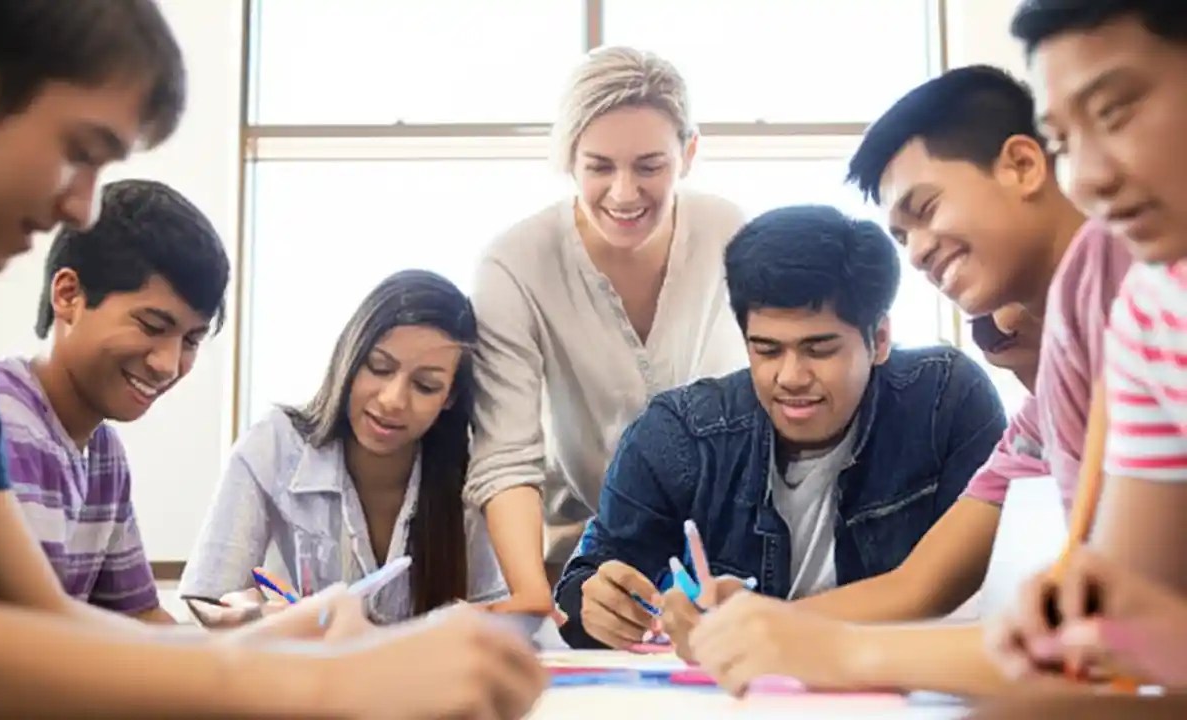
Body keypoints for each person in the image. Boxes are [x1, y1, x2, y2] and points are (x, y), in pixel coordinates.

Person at [0, 3, 544, 717]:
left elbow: (37, 622)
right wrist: (304, 680)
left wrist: (264, 649)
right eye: (80, 151)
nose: (83, 209)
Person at [687, 65, 1133, 697]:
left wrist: (843, 652)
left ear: (1024, 165)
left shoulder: (1132, 282)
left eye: (925, 210)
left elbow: (1127, 632)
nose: (918, 250)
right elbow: (921, 583)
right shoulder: (1051, 389)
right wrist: (755, 625)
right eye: (902, 235)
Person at [553, 204, 1006, 654]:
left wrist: (767, 626)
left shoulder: (945, 402)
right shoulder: (679, 435)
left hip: (896, 680)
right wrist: (595, 602)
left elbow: (962, 588)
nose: (790, 377)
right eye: (766, 350)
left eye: (820, 349)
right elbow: (586, 581)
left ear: (880, 339)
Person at [466, 45, 749, 617]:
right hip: (583, 558)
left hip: (725, 549)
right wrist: (530, 594)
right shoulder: (514, 263)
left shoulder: (730, 233)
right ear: (568, 160)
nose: (624, 193)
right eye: (599, 167)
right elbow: (507, 454)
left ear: (688, 153)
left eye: (650, 166)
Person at [987, 0, 1187, 689]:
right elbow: (1126, 628)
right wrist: (1071, 627)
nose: (1089, 179)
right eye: (1064, 142)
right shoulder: (1154, 309)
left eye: (1115, 113)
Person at [181, 270, 507, 624]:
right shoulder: (274, 445)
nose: (393, 400)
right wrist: (254, 614)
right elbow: (209, 595)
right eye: (379, 368)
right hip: (302, 671)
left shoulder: (473, 472)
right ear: (349, 358)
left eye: (426, 386)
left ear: (450, 398)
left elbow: (497, 611)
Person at [0, 179, 228, 624]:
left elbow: (140, 615)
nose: (168, 364)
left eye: (192, 340)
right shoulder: (4, 424)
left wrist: (243, 648)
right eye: (152, 326)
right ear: (68, 296)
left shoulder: (103, 454)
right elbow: (26, 640)